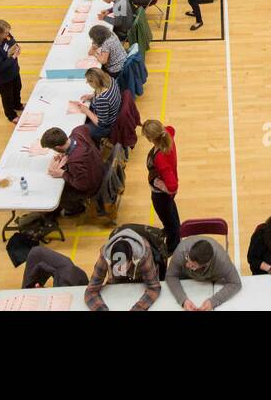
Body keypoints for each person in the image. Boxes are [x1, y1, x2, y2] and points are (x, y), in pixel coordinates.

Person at [84, 226, 162, 311]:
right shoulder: (105, 255)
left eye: (123, 267)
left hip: (141, 277)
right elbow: (91, 291)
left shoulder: (143, 254)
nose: (120, 271)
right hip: (118, 282)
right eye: (117, 267)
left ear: (131, 260)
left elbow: (154, 287)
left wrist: (137, 309)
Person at [41, 124, 104, 215]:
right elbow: (86, 129)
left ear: (58, 147)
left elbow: (82, 185)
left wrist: (62, 173)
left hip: (93, 184)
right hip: (98, 165)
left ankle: (77, 209)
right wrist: (66, 153)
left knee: (59, 195)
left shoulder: (74, 162)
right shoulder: (78, 132)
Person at [166, 237, 242, 311]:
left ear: (205, 264)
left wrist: (213, 301)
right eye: (187, 258)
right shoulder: (182, 251)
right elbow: (170, 276)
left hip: (212, 281)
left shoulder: (222, 260)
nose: (187, 265)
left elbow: (236, 283)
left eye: (193, 266)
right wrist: (183, 300)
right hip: (187, 279)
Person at [143, 119, 180, 254]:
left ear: (150, 138)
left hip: (161, 195)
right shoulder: (168, 134)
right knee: (171, 215)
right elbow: (172, 128)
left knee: (170, 221)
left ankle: (172, 248)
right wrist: (150, 126)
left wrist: (161, 185)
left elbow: (173, 186)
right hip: (166, 196)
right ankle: (171, 230)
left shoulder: (160, 158)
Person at [71, 67, 120, 141]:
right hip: (113, 114)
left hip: (106, 127)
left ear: (94, 82)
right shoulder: (110, 80)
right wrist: (92, 96)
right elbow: (103, 92)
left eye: (88, 81)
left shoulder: (102, 99)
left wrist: (86, 111)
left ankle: (94, 146)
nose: (87, 83)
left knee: (79, 131)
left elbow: (101, 124)